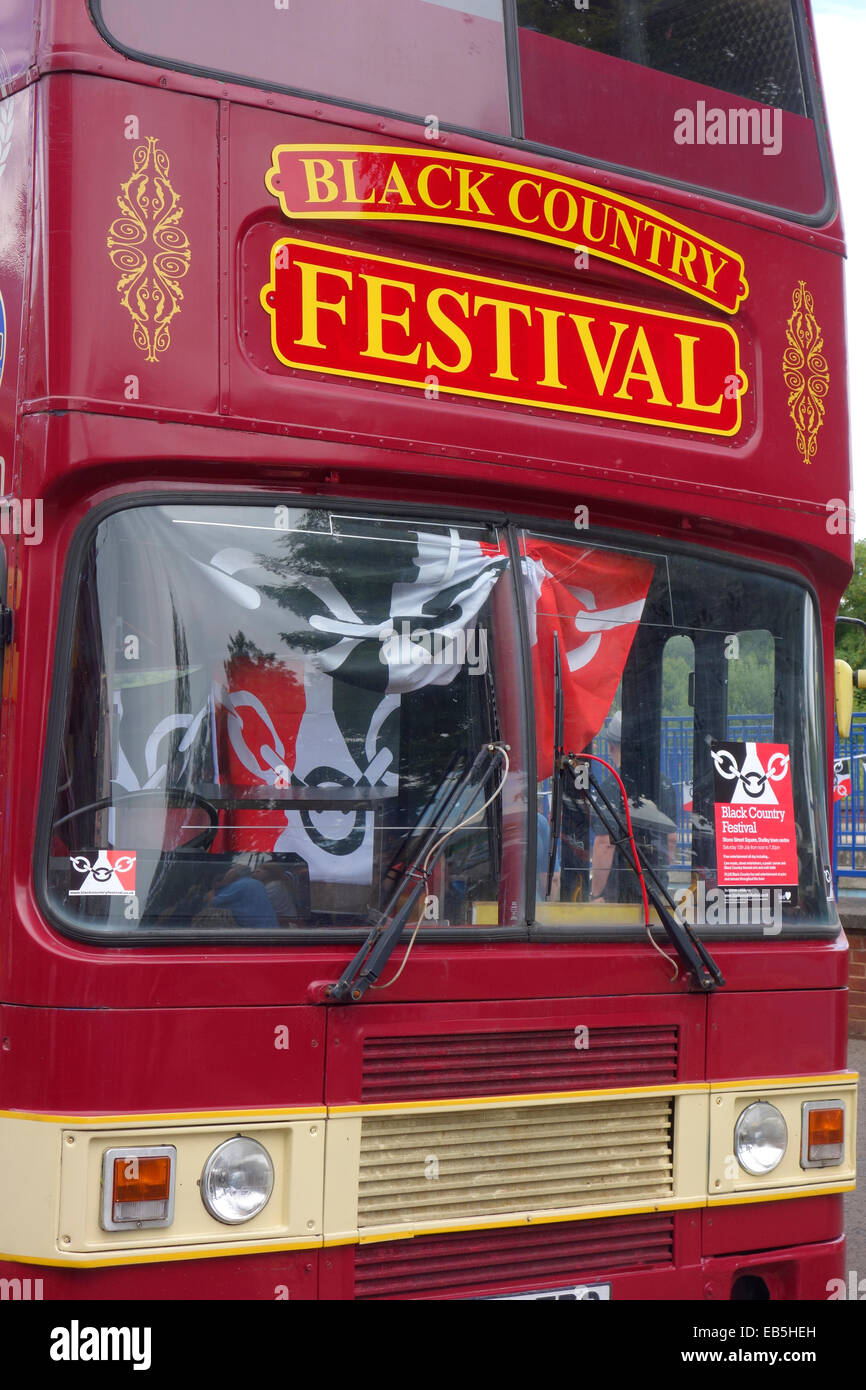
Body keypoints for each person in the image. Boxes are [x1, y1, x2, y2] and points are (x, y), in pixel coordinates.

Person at [590, 710, 677, 904]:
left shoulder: (611, 787)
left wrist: (597, 893)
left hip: (619, 893)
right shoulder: (665, 785)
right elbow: (671, 839)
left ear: (611, 746)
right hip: (656, 890)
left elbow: (604, 844)